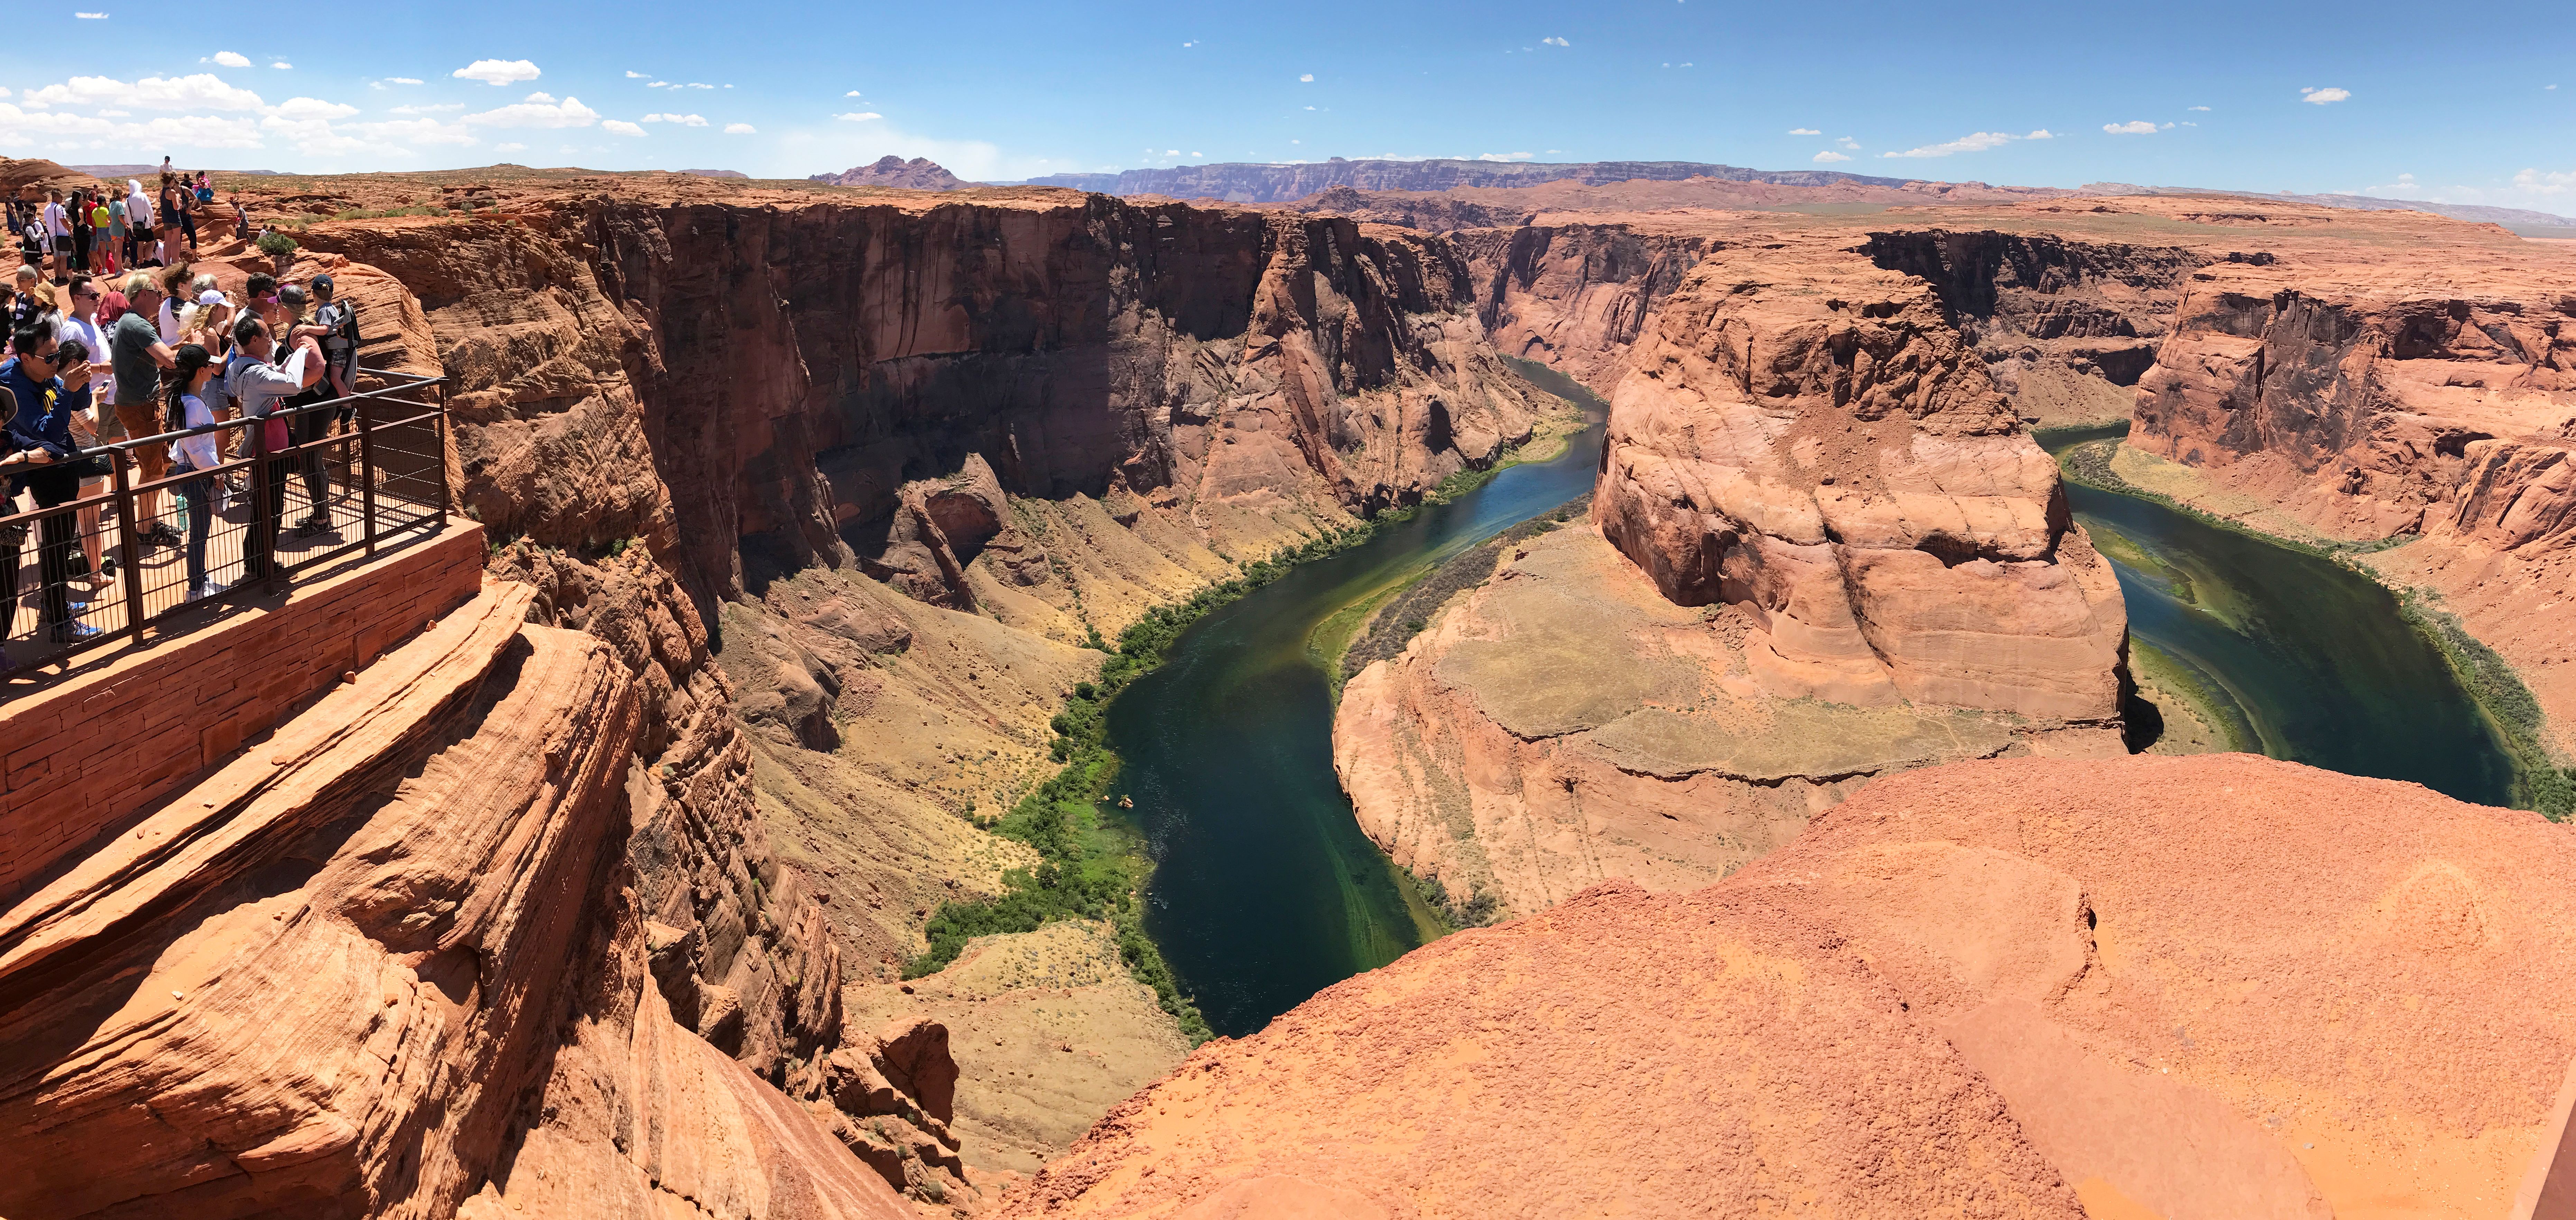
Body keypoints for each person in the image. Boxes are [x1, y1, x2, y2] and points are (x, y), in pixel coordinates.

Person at [0, 329, 102, 642]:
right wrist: (68, 391)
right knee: (56, 544)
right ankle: (59, 623)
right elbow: (46, 433)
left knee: (58, 543)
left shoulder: (46, 375)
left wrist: (78, 384)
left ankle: (53, 609)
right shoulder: (11, 384)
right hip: (44, 472)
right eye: (50, 357)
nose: (56, 362)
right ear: (26, 358)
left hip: (61, 466)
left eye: (58, 354)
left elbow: (73, 405)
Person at [224, 314, 321, 582]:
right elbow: (290, 385)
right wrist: (301, 353)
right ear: (254, 340)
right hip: (269, 451)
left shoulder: (241, 366)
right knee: (271, 508)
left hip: (267, 448)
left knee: (264, 505)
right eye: (267, 335)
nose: (270, 339)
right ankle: (262, 565)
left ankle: (256, 559)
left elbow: (273, 376)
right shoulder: (255, 372)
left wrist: (288, 361)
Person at [108, 271, 181, 549]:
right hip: (141, 407)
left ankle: (147, 521)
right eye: (158, 293)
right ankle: (143, 528)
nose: (161, 298)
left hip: (140, 405)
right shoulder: (138, 325)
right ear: (143, 294)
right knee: (153, 468)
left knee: (159, 465)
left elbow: (160, 358)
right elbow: (170, 361)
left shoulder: (131, 322)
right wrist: (197, 345)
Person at [163, 343, 224, 598]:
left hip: (189, 471)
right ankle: (196, 588)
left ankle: (200, 579)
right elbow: (195, 448)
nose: (213, 368)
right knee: (199, 534)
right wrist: (217, 472)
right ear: (201, 370)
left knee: (199, 532)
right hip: (197, 473)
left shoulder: (181, 400)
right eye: (209, 365)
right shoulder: (194, 405)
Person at [39, 191, 69, 284]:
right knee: (64, 257)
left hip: (52, 236)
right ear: (56, 197)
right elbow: (63, 220)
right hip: (62, 235)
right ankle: (64, 277)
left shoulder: (47, 209)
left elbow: (47, 223)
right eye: (61, 197)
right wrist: (70, 231)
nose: (62, 199)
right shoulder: (59, 208)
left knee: (56, 257)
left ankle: (57, 277)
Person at [124, 180, 153, 269]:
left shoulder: (128, 200)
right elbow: (150, 210)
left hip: (137, 227)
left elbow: (129, 217)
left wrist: (132, 229)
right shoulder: (142, 196)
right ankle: (147, 262)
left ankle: (141, 264)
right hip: (146, 224)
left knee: (140, 245)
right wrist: (153, 222)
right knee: (151, 243)